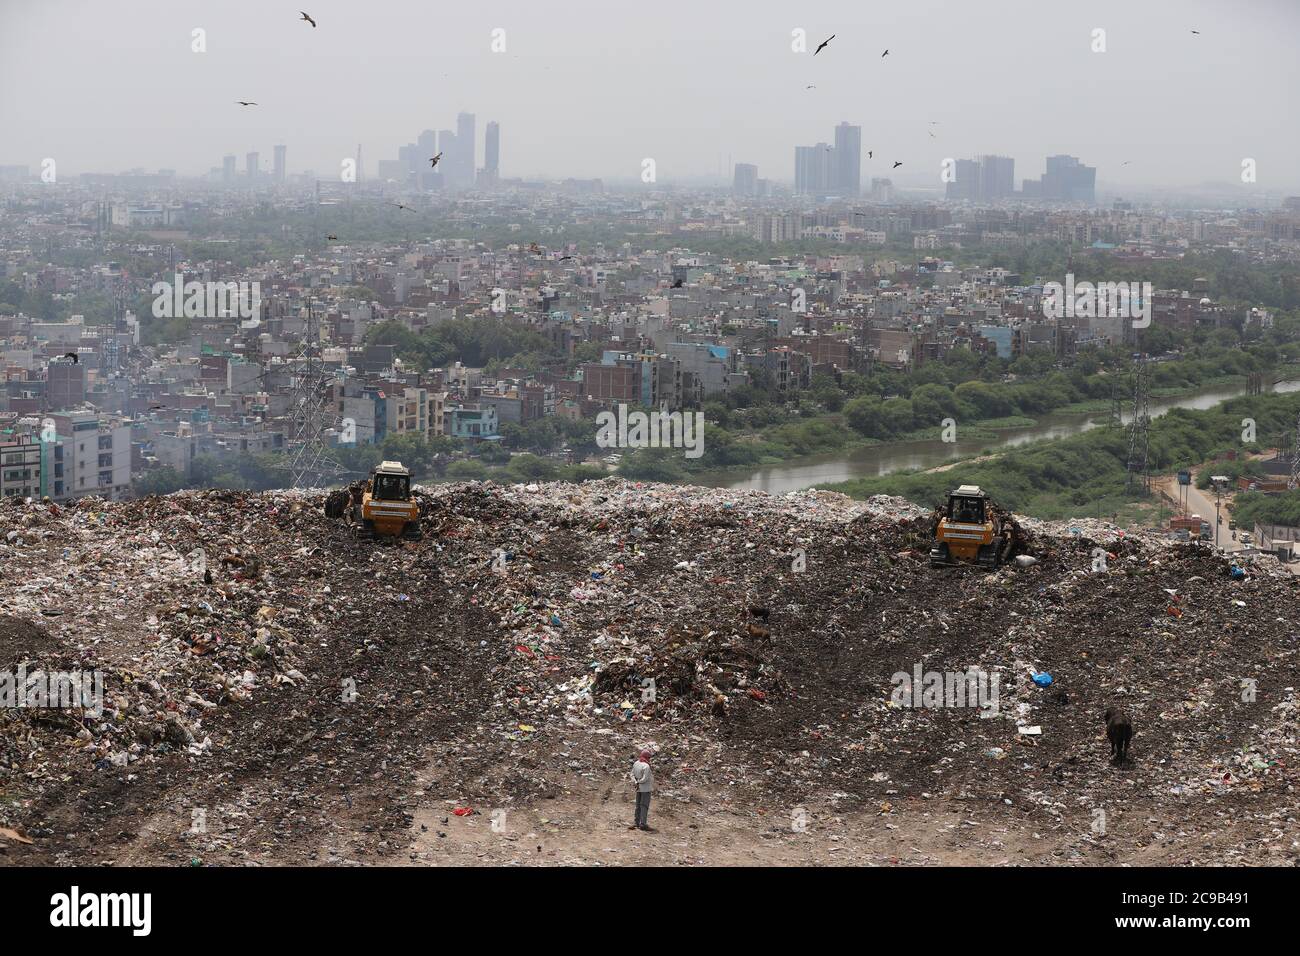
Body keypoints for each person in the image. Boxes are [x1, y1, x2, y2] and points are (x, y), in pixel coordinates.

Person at [629, 750, 654, 831]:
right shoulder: (646, 766)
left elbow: (632, 774)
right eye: (649, 758)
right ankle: (643, 824)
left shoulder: (636, 763)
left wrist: (636, 782)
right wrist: (639, 782)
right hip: (645, 789)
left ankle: (636, 822)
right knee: (644, 806)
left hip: (638, 788)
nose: (649, 759)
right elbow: (645, 778)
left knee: (638, 806)